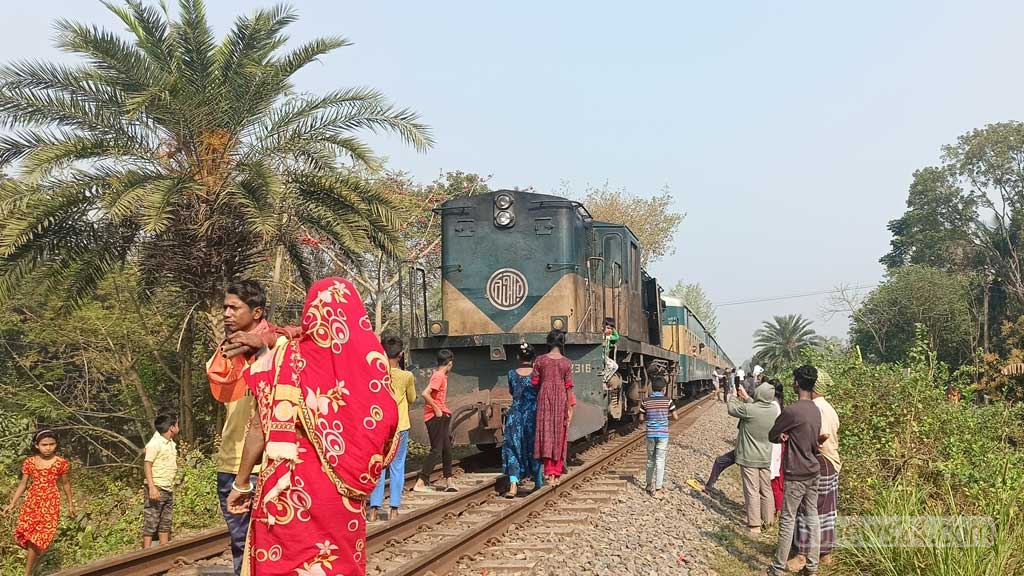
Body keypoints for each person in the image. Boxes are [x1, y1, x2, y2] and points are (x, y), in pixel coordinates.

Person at [226, 277, 399, 576]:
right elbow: (386, 421)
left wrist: (241, 484)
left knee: (287, 562)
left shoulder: (286, 359)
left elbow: (260, 427)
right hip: (343, 492)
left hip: (292, 486)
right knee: (338, 562)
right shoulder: (374, 365)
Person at [206, 280, 299, 575]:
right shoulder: (226, 351)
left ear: (257, 312)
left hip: (267, 465)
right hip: (230, 462)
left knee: (272, 548)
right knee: (240, 548)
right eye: (225, 307)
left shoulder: (280, 347)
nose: (227, 314)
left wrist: (266, 343)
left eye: (235, 307)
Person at [767, 365, 822, 576]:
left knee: (788, 520)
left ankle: (778, 569)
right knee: (812, 518)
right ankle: (812, 568)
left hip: (796, 474)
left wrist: (782, 436)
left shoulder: (791, 411)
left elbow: (773, 434)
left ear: (797, 383)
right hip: (813, 471)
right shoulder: (816, 409)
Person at [790, 370, 842, 570]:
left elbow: (823, 436)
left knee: (807, 507)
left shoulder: (816, 408)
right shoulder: (828, 407)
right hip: (831, 462)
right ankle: (825, 554)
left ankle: (802, 554)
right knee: (827, 510)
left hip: (820, 461)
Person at [3, 430, 74, 576]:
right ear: (37, 445)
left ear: (56, 445)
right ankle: (36, 558)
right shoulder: (30, 462)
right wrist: (12, 503)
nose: (48, 448)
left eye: (51, 444)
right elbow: (23, 484)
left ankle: (27, 573)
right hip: (33, 500)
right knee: (22, 535)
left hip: (50, 501)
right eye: (44, 445)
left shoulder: (61, 463)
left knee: (37, 538)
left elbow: (66, 484)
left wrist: (71, 504)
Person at [367, 335, 417, 521]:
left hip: (379, 426)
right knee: (397, 466)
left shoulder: (374, 374)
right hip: (400, 427)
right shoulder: (406, 376)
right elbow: (412, 398)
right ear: (401, 354)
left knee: (378, 466)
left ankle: (373, 508)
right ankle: (394, 508)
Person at [728, 382, 777, 534]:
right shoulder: (774, 410)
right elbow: (756, 407)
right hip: (765, 456)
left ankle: (754, 525)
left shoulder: (750, 410)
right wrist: (747, 397)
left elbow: (732, 409)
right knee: (766, 490)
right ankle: (769, 522)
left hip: (749, 457)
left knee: (752, 490)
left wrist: (733, 397)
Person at [533, 329, 575, 485]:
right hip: (561, 400)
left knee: (546, 434)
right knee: (559, 434)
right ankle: (556, 474)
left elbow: (534, 382)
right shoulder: (567, 363)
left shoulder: (539, 360)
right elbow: (569, 386)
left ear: (548, 343)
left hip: (544, 399)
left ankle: (548, 471)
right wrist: (570, 408)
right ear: (562, 343)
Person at [412, 349, 457, 493]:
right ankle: (420, 482)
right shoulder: (439, 376)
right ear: (449, 363)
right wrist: (437, 409)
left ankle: (449, 481)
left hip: (441, 416)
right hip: (434, 417)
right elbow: (425, 393)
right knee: (436, 450)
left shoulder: (440, 375)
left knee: (447, 449)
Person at [502, 342, 543, 498]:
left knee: (512, 448)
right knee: (534, 448)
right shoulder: (537, 375)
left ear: (518, 357)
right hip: (532, 416)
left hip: (515, 416)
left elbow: (513, 392)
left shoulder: (511, 374)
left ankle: (513, 485)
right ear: (534, 358)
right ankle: (538, 482)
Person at [143, 413, 179, 548]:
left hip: (167, 487)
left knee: (166, 521)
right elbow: (147, 464)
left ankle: (164, 549)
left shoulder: (170, 443)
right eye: (177, 424)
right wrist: (152, 487)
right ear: (171, 428)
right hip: (156, 487)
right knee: (151, 520)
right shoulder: (154, 444)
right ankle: (146, 552)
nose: (178, 427)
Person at [640, 376, 678, 498]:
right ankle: (658, 490)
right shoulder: (668, 401)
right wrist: (665, 418)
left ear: (652, 388)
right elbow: (675, 417)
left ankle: (648, 485)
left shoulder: (645, 401)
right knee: (660, 461)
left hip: (650, 434)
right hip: (663, 434)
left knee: (650, 460)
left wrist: (650, 418)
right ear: (664, 389)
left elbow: (641, 418)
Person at [769, 378, 786, 513]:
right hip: (776, 445)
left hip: (774, 446)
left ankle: (776, 509)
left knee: (773, 478)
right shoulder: (779, 404)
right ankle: (777, 508)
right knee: (776, 477)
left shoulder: (773, 406)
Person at [601, 318, 619, 385]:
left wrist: (612, 330)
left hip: (605, 355)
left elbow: (617, 337)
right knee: (610, 365)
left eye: (611, 329)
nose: (610, 330)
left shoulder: (609, 336)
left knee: (615, 366)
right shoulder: (602, 335)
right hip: (600, 354)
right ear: (603, 327)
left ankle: (605, 379)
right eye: (608, 328)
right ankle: (602, 379)